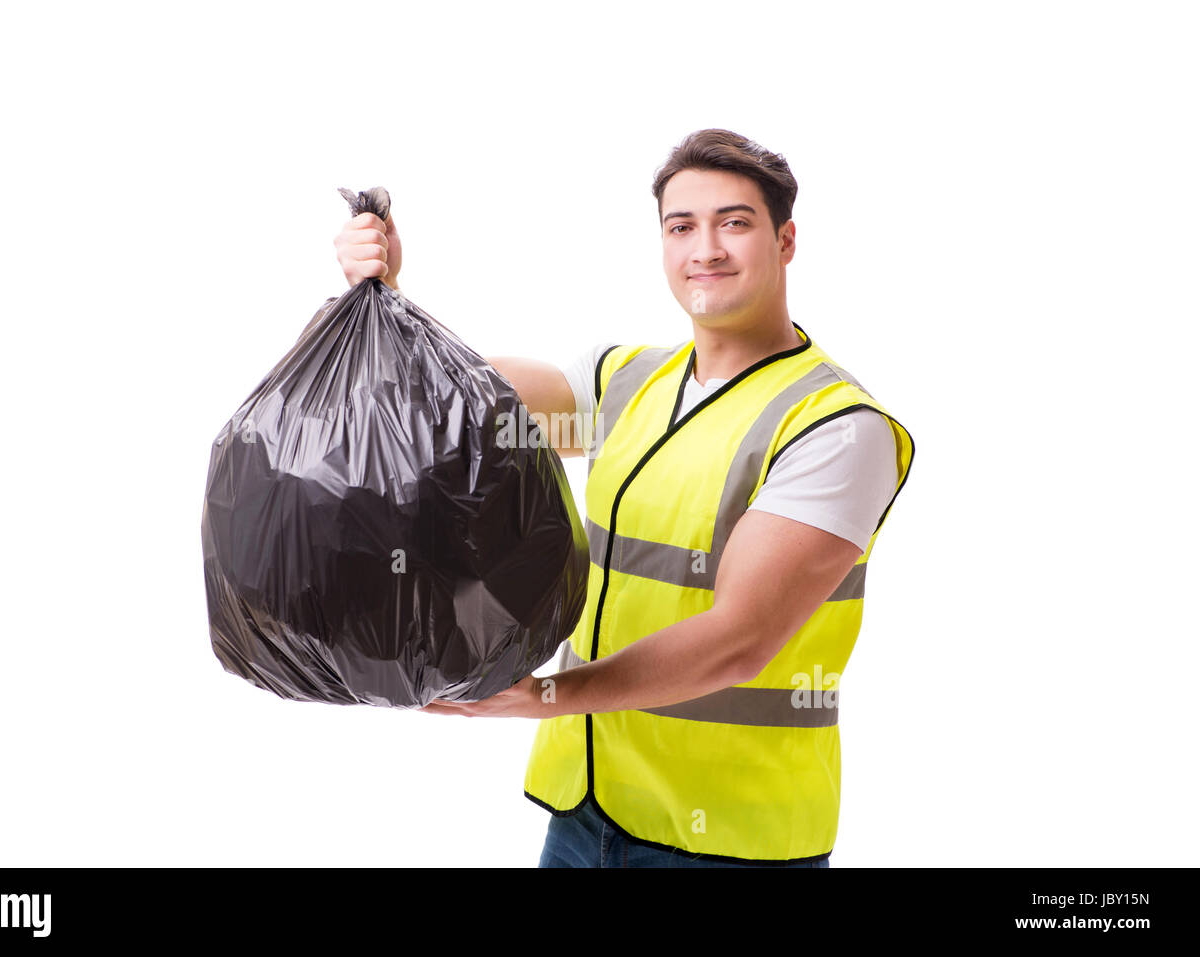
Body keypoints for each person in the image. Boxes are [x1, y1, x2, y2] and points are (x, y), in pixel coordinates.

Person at [332, 129, 915, 868]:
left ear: (785, 239)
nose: (705, 248)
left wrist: (544, 696)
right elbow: (459, 402)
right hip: (586, 813)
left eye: (733, 222)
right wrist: (385, 298)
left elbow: (741, 638)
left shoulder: (835, 426)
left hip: (730, 841)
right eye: (682, 227)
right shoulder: (623, 382)